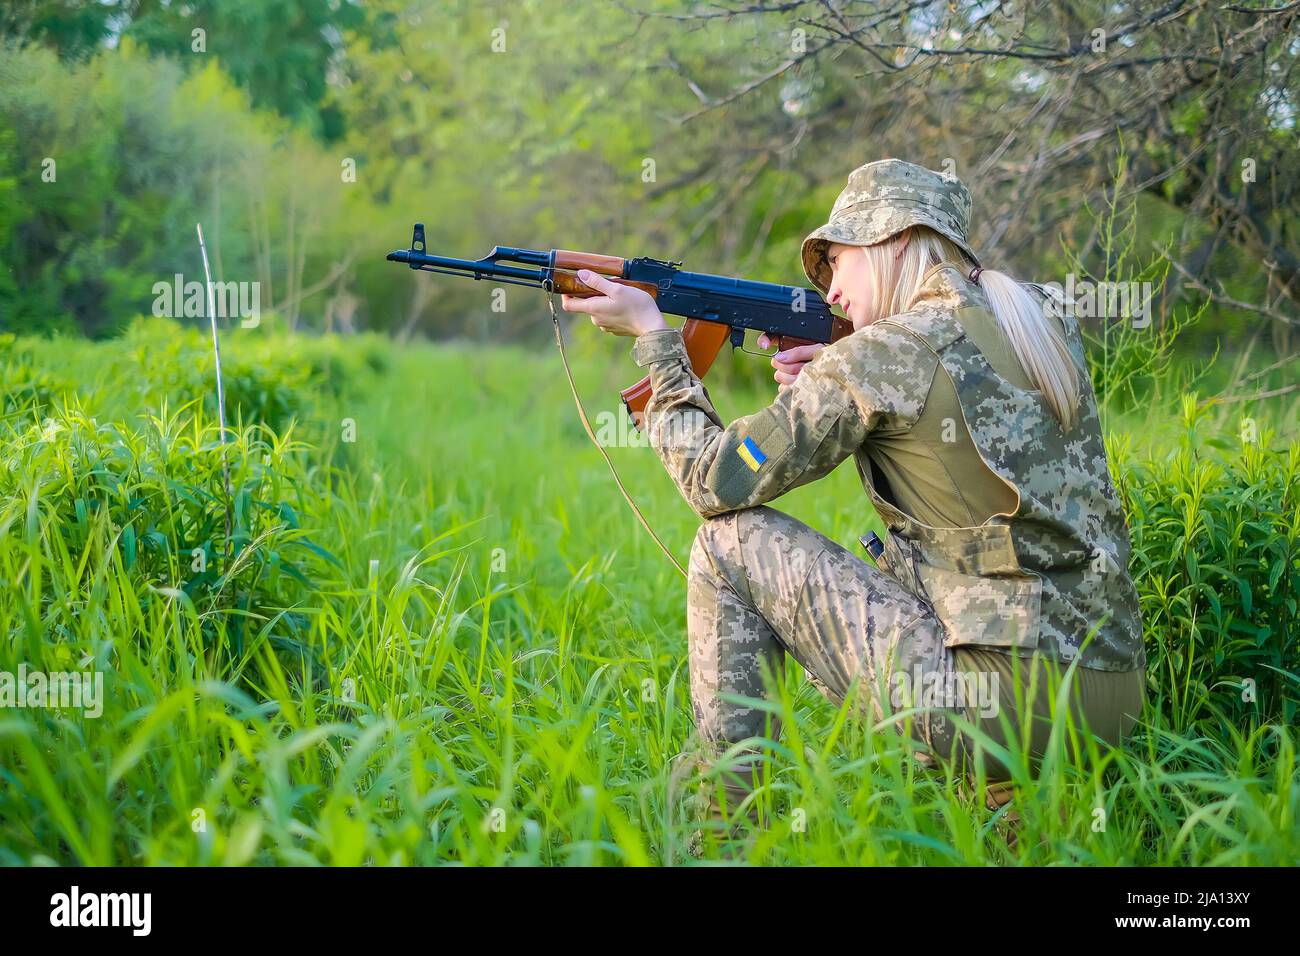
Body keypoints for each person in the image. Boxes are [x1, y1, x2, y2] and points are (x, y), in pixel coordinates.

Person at [560, 159, 1146, 843]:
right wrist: (829, 384)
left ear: (894, 241)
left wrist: (658, 344)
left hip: (999, 703)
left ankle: (722, 835)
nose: (831, 290)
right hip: (1112, 692)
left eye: (837, 260)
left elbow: (714, 479)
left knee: (729, 544)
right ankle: (1009, 811)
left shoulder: (880, 353)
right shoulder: (1039, 325)